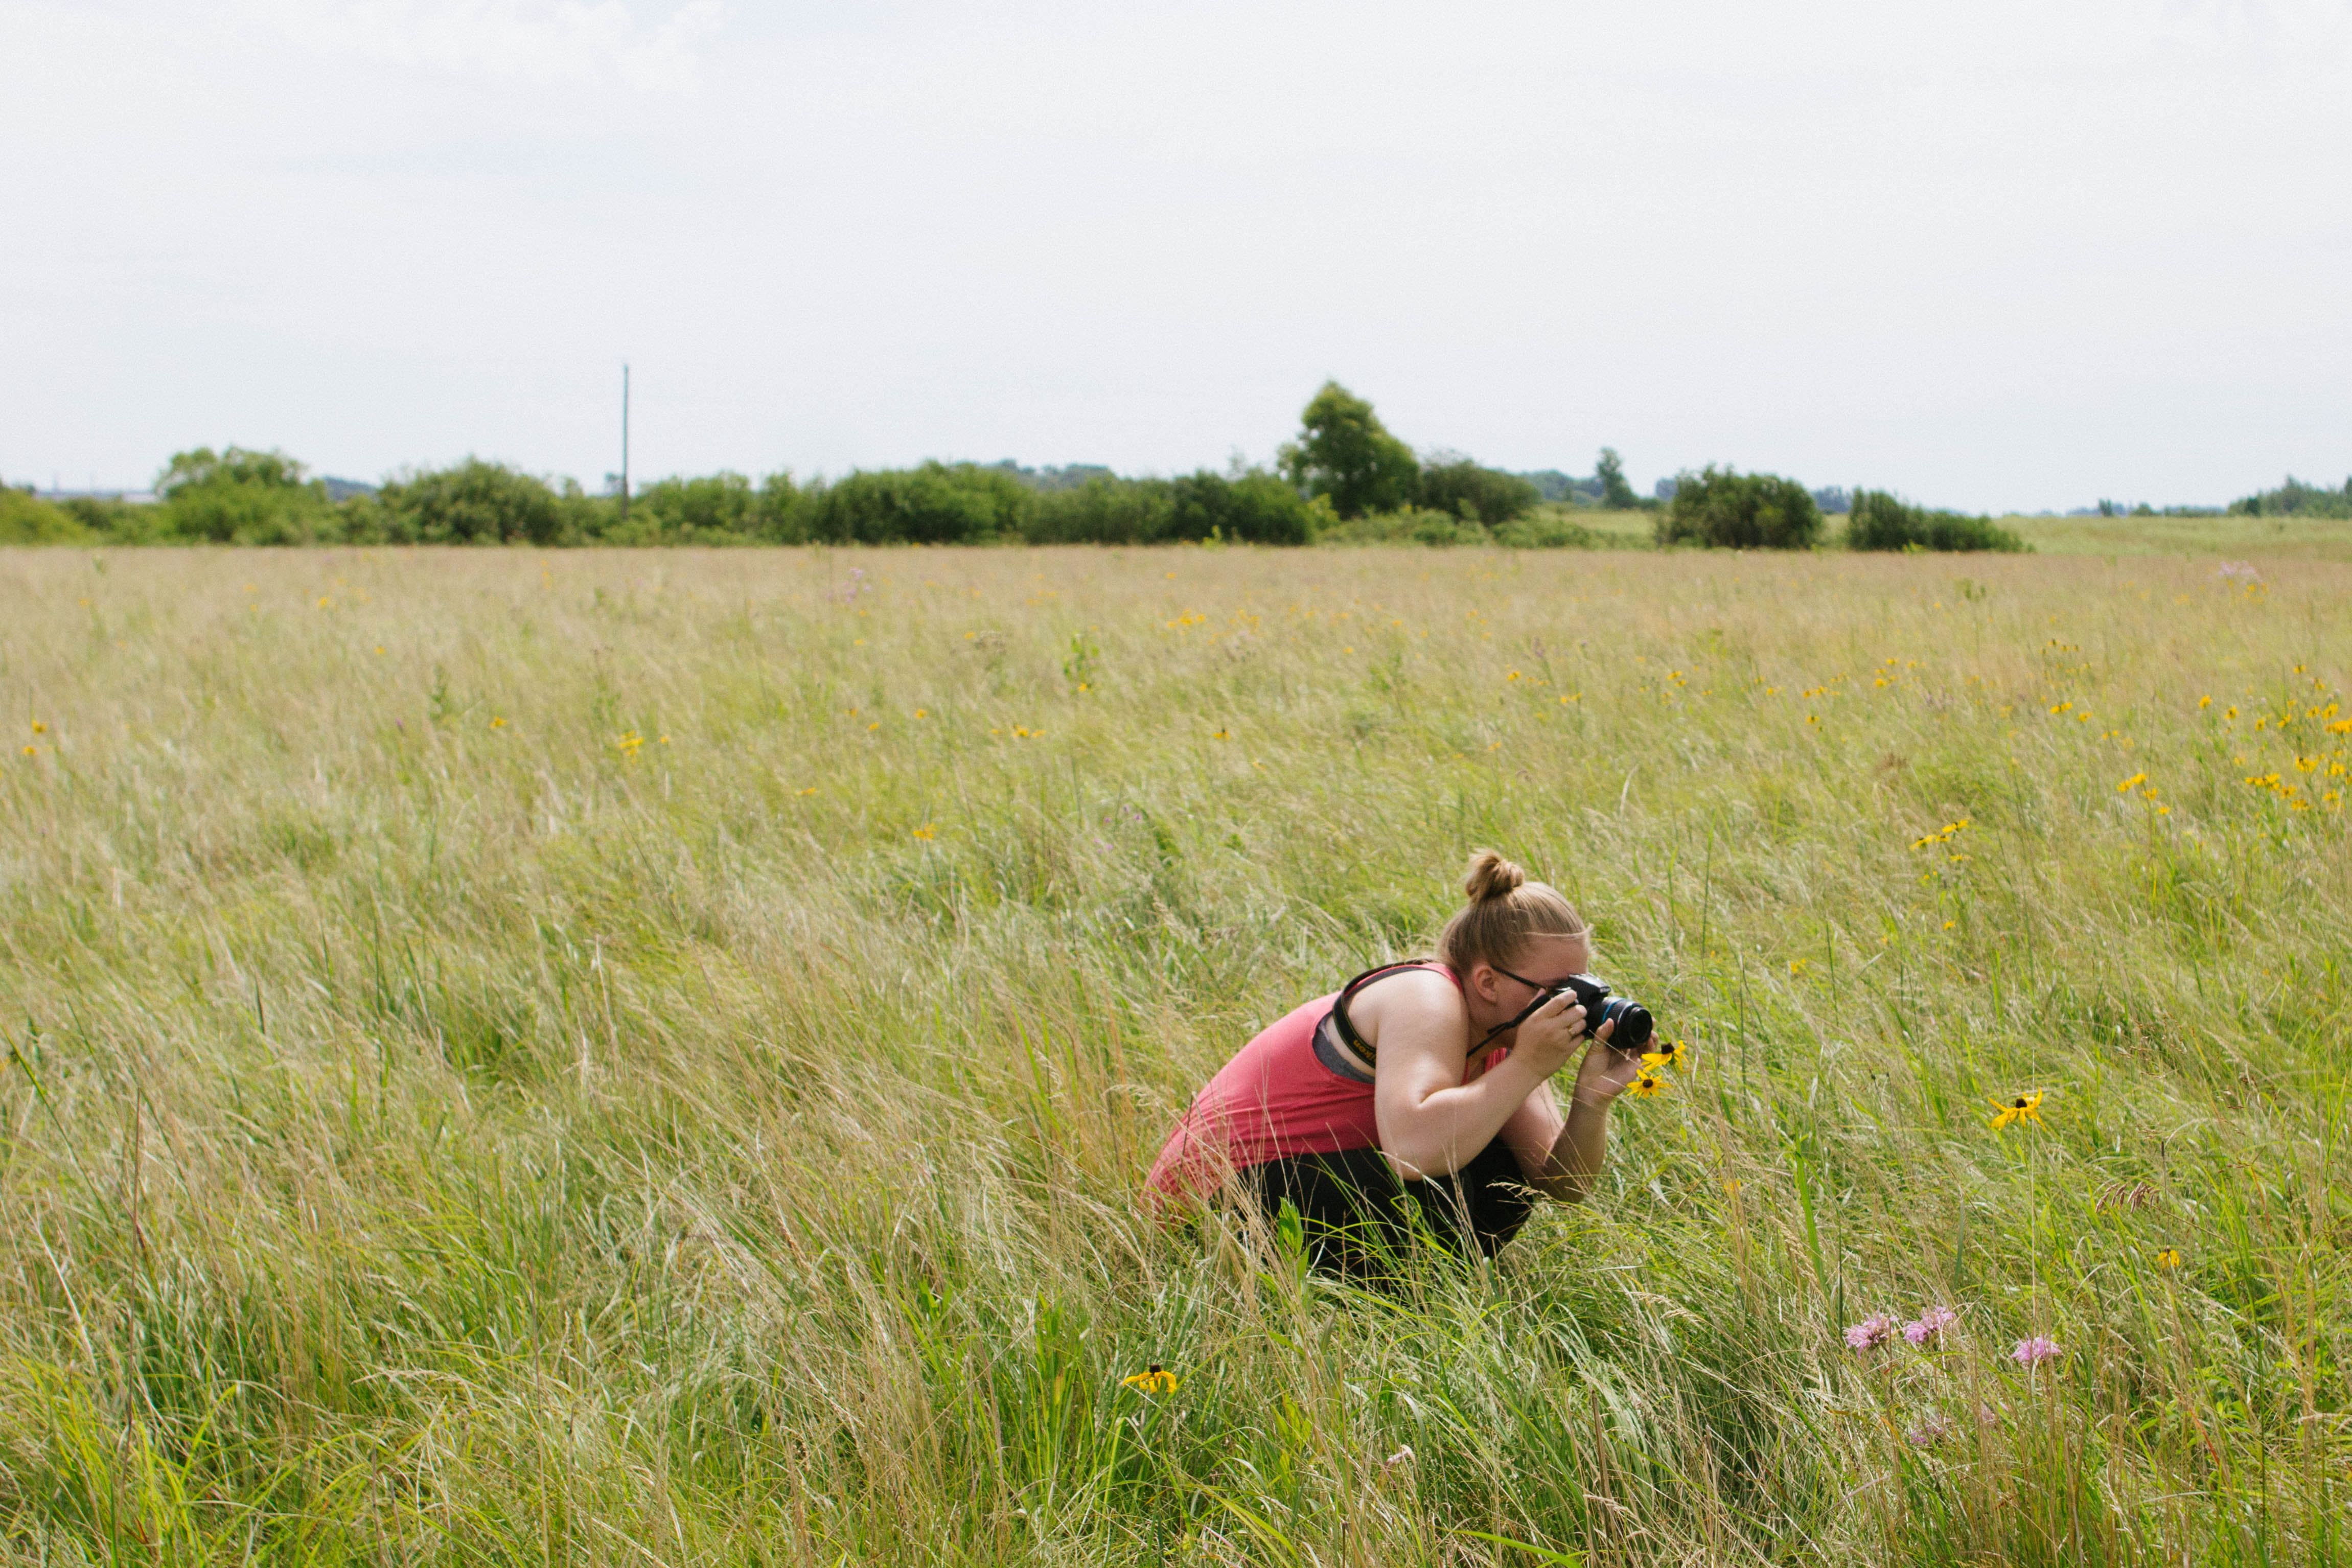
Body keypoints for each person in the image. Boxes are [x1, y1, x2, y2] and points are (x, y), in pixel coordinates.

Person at [1145, 850, 1647, 1276]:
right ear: (1488, 982)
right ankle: (1359, 1310)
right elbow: (1414, 1152)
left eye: (1584, 987)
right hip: (1202, 1211)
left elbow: (1564, 1182)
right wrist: (1527, 1067)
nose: (1573, 1006)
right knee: (1435, 1181)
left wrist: (1591, 1101)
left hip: (1281, 1187)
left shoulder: (1508, 1033)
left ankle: (1395, 1310)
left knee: (1501, 1172)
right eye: (1557, 990)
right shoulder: (1425, 994)